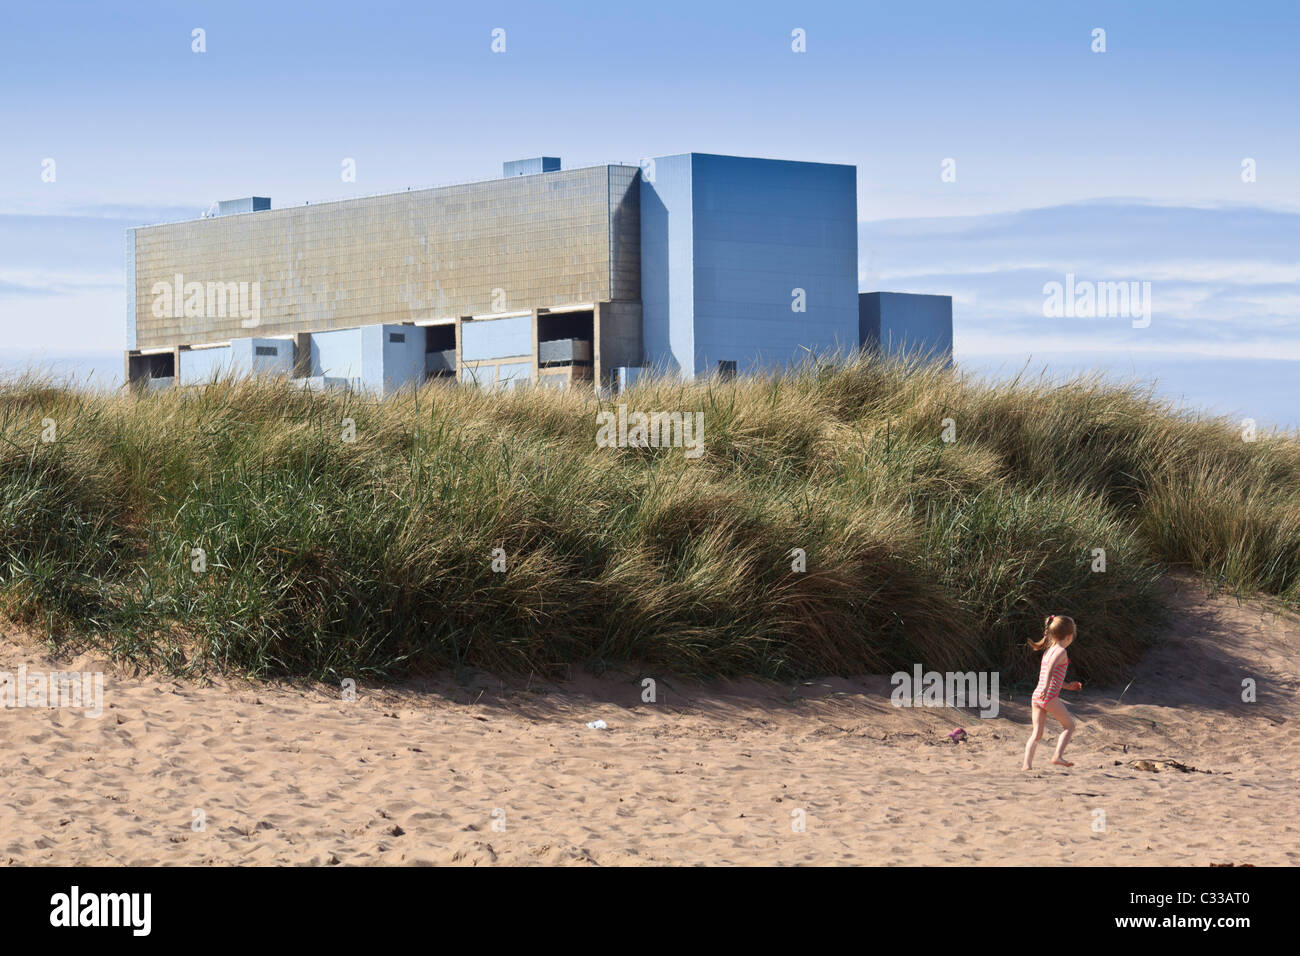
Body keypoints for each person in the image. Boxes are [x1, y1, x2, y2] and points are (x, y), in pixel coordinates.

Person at [1022, 614, 1083, 770]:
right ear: (1069, 636)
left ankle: (1026, 765)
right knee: (1069, 726)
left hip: (1037, 696)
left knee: (1036, 733)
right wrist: (1046, 687)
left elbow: (1054, 676)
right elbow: (1049, 671)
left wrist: (1069, 686)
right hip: (1048, 696)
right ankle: (1057, 756)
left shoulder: (1048, 651)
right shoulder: (1061, 651)